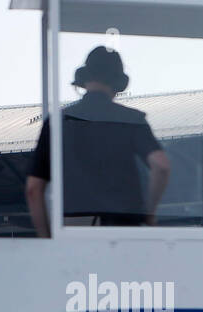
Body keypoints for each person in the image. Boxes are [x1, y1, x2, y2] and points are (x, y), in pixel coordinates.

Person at [25, 47, 171, 236]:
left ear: (84, 79)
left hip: (74, 229)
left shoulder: (57, 122)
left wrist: (47, 240)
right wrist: (149, 212)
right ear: (119, 83)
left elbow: (33, 189)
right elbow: (162, 165)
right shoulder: (131, 119)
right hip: (125, 229)